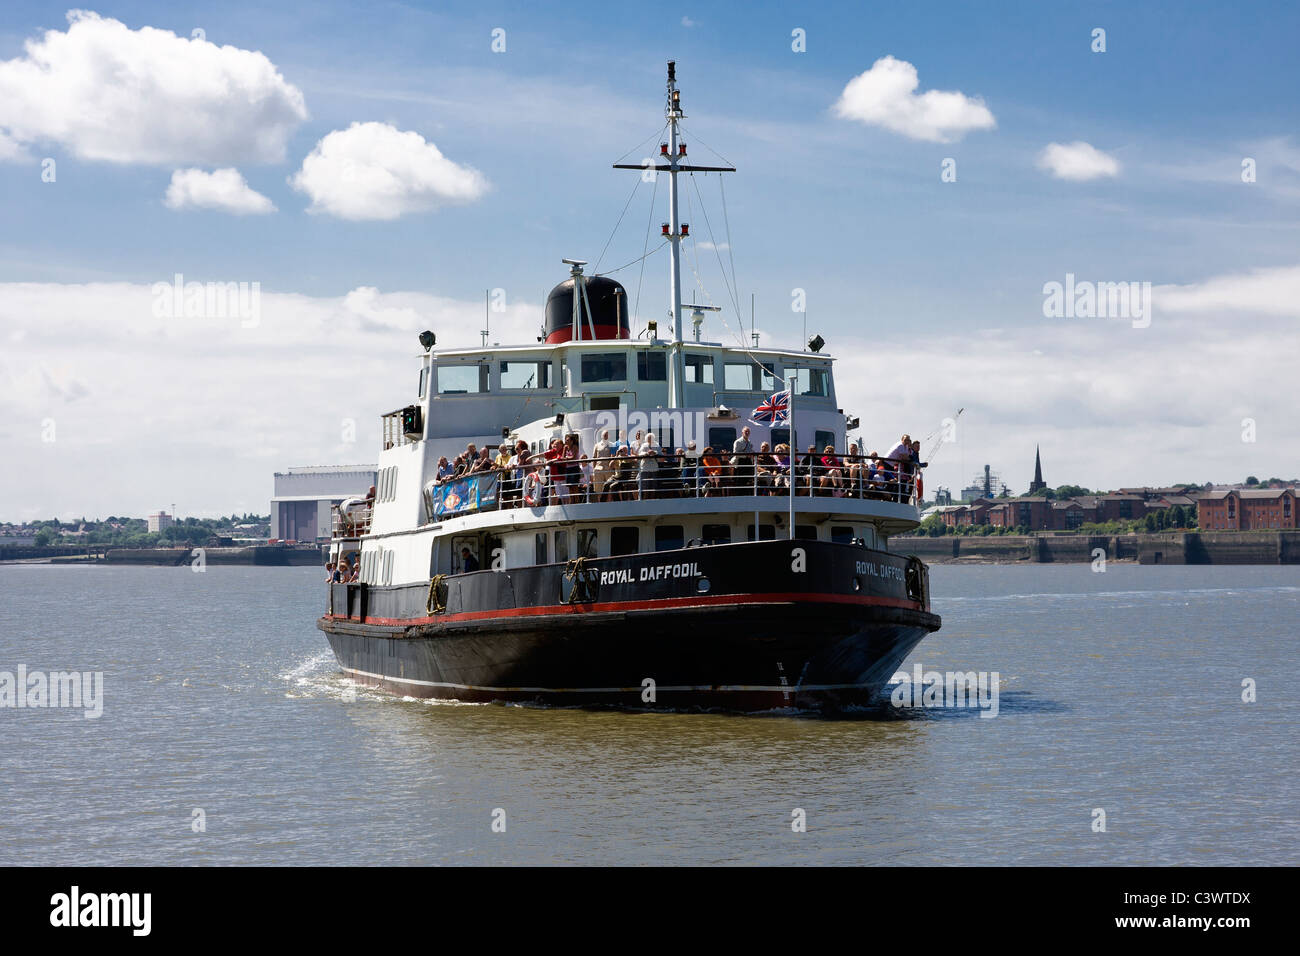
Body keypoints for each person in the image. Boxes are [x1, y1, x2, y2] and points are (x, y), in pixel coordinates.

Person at [592, 429, 614, 502]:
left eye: (607, 434)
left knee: (610, 487)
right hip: (598, 469)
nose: (606, 436)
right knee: (599, 489)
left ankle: (609, 503)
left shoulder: (611, 445)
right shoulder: (597, 445)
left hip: (608, 469)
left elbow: (612, 457)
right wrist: (594, 468)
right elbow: (594, 458)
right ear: (601, 436)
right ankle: (600, 503)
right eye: (604, 434)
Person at [731, 426, 754, 493]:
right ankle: (739, 495)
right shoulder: (738, 442)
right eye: (745, 431)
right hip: (740, 463)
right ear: (742, 433)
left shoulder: (749, 442)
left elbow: (750, 451)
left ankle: (746, 494)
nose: (747, 433)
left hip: (748, 462)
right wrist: (746, 455)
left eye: (748, 432)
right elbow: (735, 453)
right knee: (740, 480)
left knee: (747, 480)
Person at [637, 432, 659, 499]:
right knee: (643, 486)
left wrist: (654, 452)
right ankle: (643, 500)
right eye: (649, 438)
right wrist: (646, 453)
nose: (650, 440)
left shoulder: (657, 445)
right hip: (645, 468)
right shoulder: (644, 445)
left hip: (654, 468)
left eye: (651, 438)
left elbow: (660, 453)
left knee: (653, 486)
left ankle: (652, 500)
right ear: (646, 439)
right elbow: (640, 454)